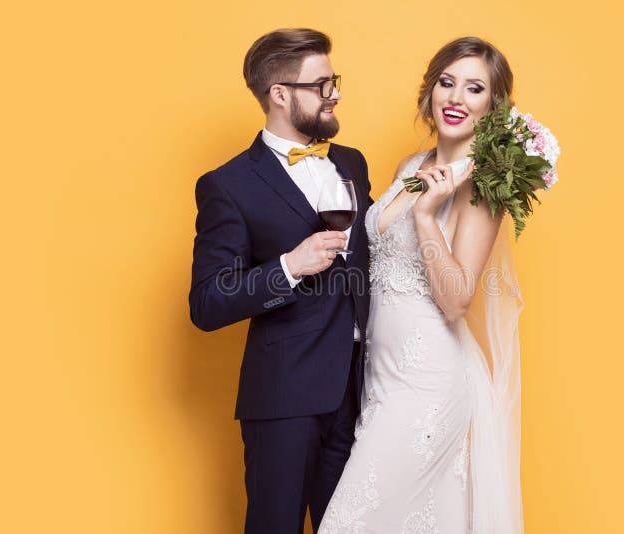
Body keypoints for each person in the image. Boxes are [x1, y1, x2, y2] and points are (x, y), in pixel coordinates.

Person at [319, 37, 525, 533]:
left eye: (474, 88)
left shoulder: (484, 183)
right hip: (379, 381)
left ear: (492, 106)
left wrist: (428, 216)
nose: (455, 98)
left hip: (427, 384)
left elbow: (456, 300)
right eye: (446, 83)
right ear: (430, 91)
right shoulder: (411, 166)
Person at [188, 28, 372, 534]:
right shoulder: (228, 185)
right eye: (322, 84)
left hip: (363, 393)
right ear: (280, 94)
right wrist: (289, 266)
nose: (334, 92)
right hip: (285, 399)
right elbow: (206, 302)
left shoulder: (351, 162)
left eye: (334, 80)